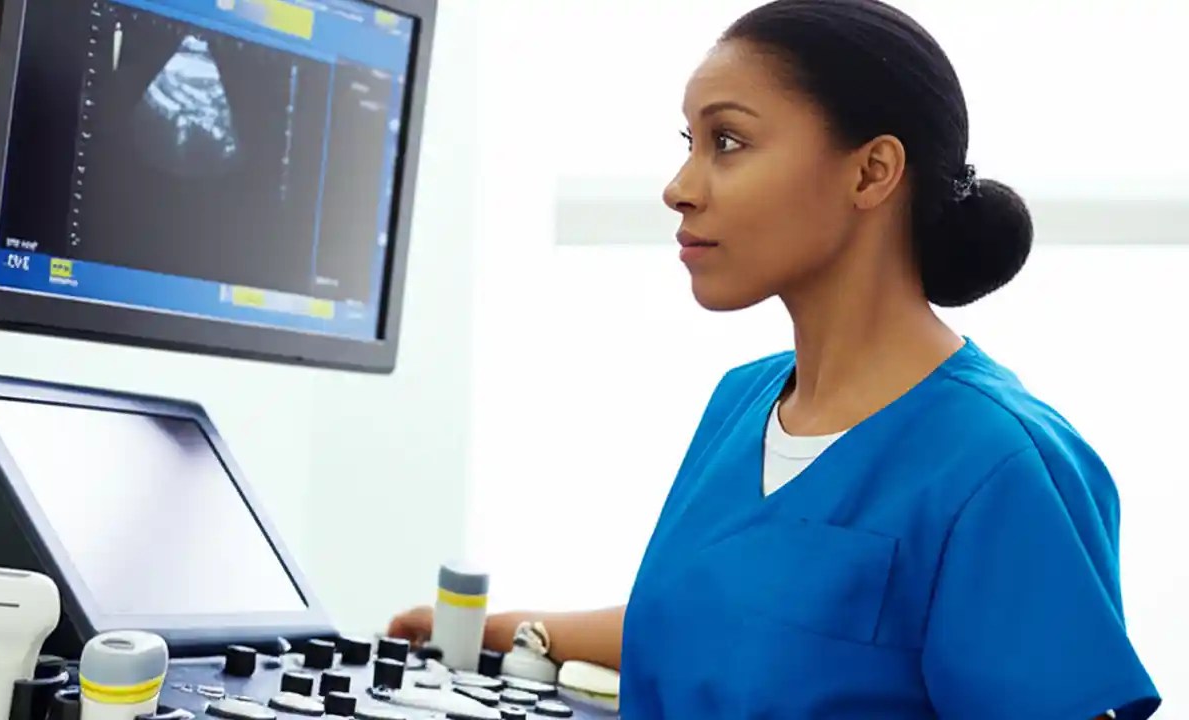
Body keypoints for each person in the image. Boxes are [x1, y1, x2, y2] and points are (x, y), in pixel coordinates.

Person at [389, 0, 1162, 716]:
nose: (680, 187)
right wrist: (506, 630)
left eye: (727, 141)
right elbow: (729, 623)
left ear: (872, 172)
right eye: (689, 144)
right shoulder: (742, 404)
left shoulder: (1003, 466)